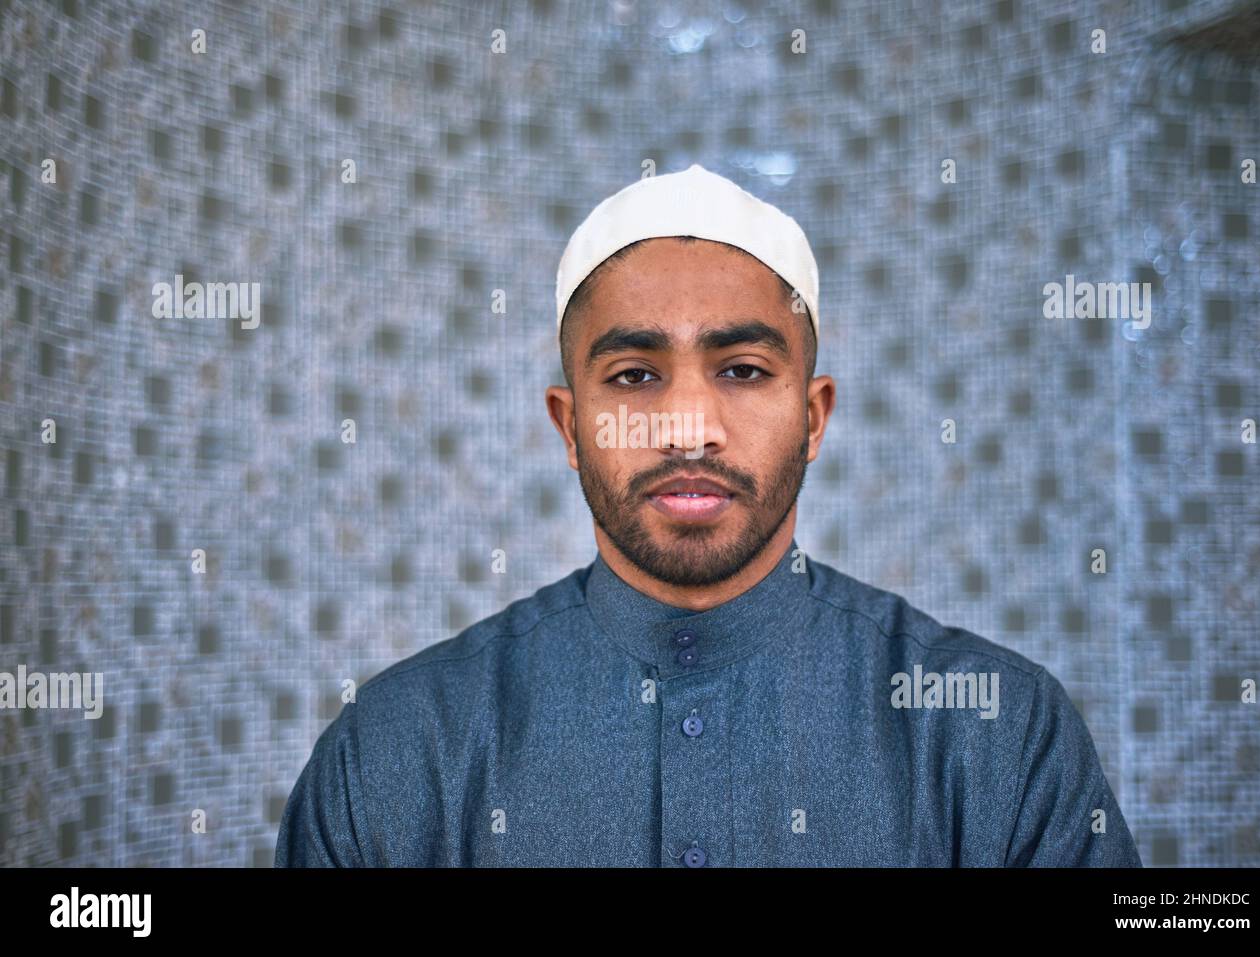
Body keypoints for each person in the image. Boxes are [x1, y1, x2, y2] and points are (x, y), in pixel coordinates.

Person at [275, 164, 1141, 867]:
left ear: (814, 414)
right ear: (570, 425)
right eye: (634, 375)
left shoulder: (997, 738)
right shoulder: (392, 754)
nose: (689, 426)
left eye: (743, 369)